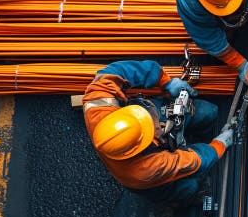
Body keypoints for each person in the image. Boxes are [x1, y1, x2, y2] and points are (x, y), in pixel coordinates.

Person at [82, 60, 233, 206]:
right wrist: (220, 144)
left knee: (208, 112)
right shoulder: (146, 170)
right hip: (150, 182)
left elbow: (113, 71)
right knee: (188, 187)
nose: (158, 126)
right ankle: (180, 199)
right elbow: (195, 161)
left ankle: (194, 132)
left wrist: (165, 81)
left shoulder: (97, 107)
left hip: (146, 120)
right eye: (154, 128)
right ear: (142, 143)